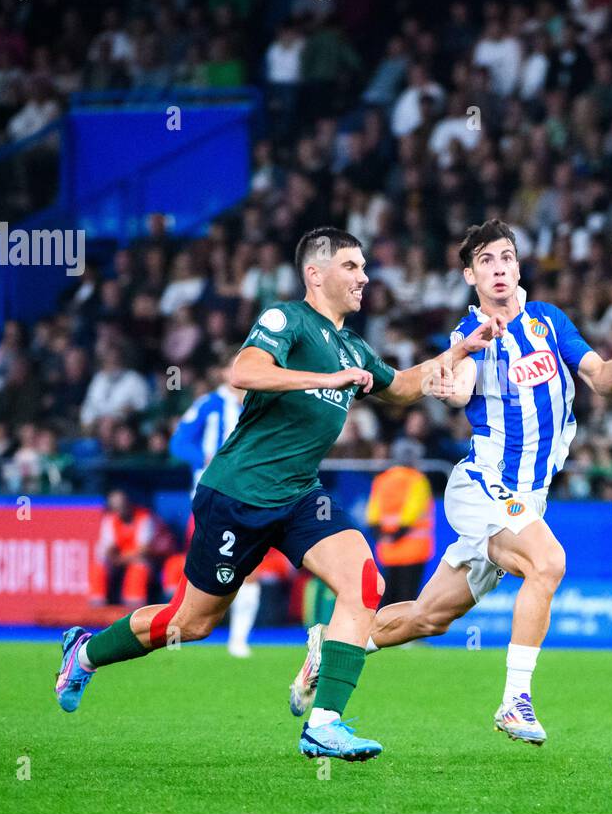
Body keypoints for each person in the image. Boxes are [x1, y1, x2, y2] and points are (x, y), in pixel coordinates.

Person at [54, 226, 498, 762]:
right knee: (188, 623)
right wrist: (322, 378)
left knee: (364, 580)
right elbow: (245, 369)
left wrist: (456, 352)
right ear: (316, 274)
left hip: (298, 497)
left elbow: (401, 388)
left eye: (363, 267)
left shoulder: (352, 346)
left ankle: (325, 723)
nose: (364, 277)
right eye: (351, 267)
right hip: (237, 494)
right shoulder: (286, 320)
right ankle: (85, 652)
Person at [294, 219, 612, 746]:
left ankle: (332, 645)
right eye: (486, 260)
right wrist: (447, 381)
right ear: (470, 275)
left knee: (426, 618)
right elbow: (459, 389)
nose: (499, 267)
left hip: (527, 500)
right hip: (482, 485)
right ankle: (515, 702)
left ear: (518, 267)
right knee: (548, 562)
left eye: (506, 257)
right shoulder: (470, 334)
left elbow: (601, 379)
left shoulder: (549, 323)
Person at [169, 364, 256, 658]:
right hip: (211, 499)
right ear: (222, 372)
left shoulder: (259, 404)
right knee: (197, 567)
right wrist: (205, 458)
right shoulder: (209, 404)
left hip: (250, 498)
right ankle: (174, 627)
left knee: (250, 569)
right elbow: (179, 443)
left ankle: (239, 641)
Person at [365, 447, 435, 609]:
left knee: (387, 596)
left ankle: (380, 631)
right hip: (413, 550)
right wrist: (399, 532)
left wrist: (382, 534)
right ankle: (405, 634)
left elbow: (372, 512)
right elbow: (413, 509)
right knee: (407, 598)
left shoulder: (382, 479)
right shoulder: (417, 479)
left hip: (388, 549)